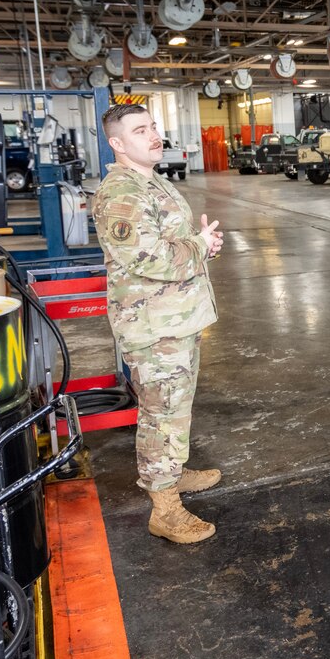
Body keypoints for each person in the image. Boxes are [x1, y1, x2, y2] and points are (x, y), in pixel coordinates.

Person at [91, 103, 224, 545]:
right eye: (140, 130)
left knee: (174, 408)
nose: (153, 135)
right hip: (153, 326)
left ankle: (173, 471)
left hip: (176, 319)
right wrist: (198, 246)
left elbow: (174, 245)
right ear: (117, 143)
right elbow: (150, 259)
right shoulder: (122, 194)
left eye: (153, 127)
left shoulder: (154, 182)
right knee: (160, 412)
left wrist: (204, 245)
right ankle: (164, 508)